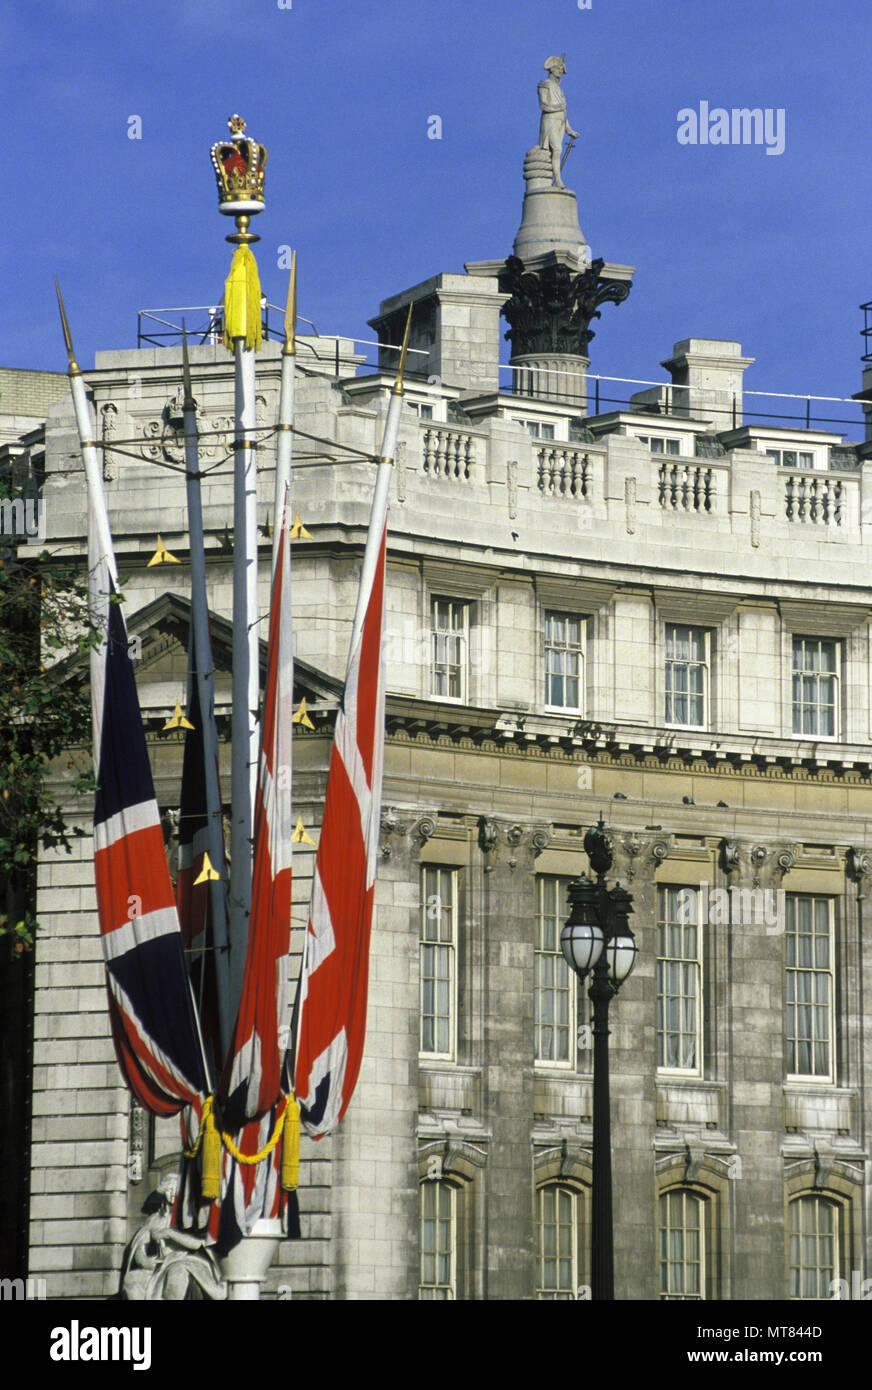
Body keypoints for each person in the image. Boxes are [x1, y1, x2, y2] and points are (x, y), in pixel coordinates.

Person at [538, 55, 580, 189]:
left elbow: (564, 113)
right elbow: (544, 105)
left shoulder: (560, 90)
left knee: (555, 151)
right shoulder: (544, 85)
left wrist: (569, 130)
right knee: (557, 149)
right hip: (550, 121)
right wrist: (558, 107)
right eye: (558, 68)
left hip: (560, 123)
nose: (560, 71)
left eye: (562, 69)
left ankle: (554, 177)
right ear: (551, 69)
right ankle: (558, 179)